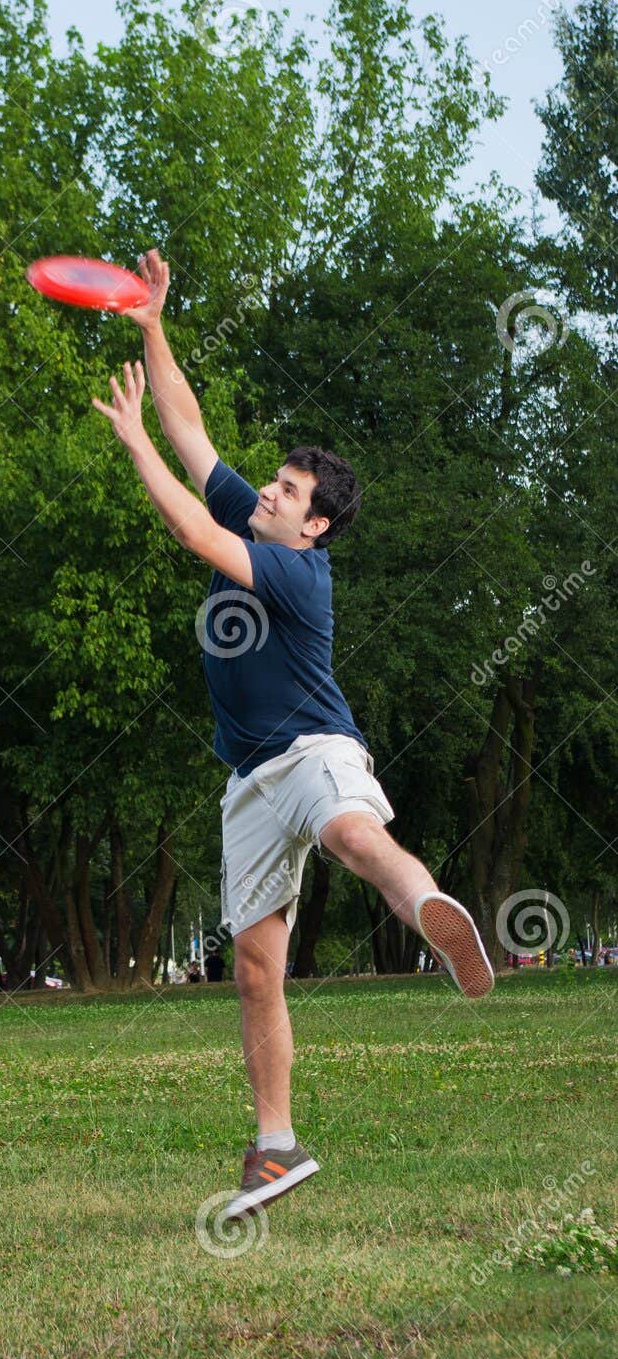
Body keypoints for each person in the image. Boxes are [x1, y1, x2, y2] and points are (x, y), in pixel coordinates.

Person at [91, 248, 494, 1221]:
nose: (267, 492)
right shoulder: (260, 517)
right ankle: (276, 1148)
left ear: (313, 529)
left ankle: (430, 910)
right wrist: (152, 324)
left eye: (286, 493)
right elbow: (194, 431)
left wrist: (131, 441)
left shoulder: (293, 572)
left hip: (317, 753)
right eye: (271, 481)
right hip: (247, 783)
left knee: (353, 835)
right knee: (257, 968)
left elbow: (189, 525)